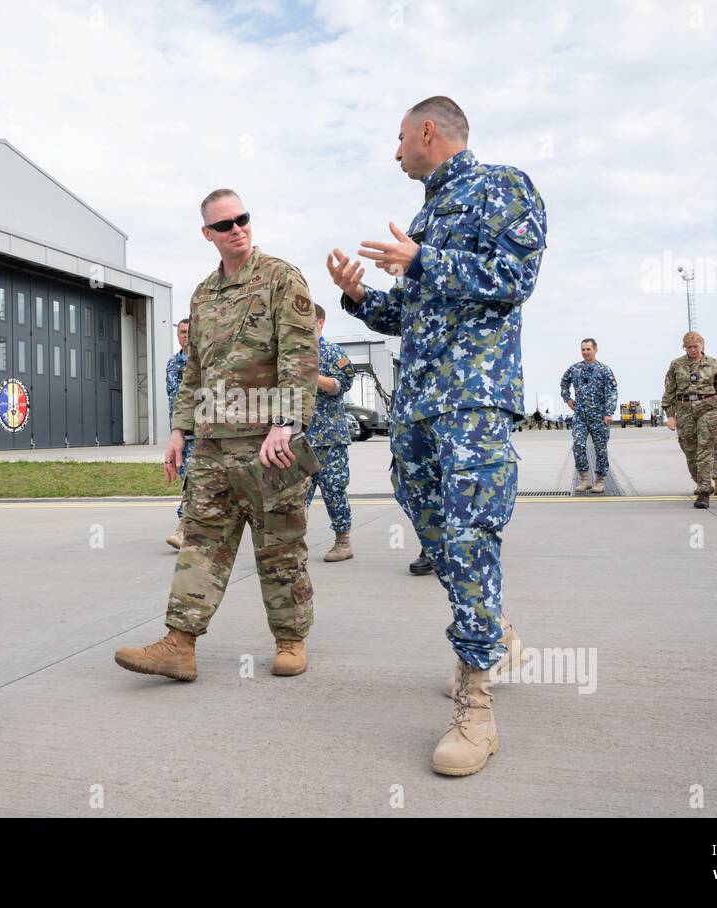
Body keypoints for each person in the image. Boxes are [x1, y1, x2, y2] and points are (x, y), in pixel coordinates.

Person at [328, 95, 546, 776]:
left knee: (470, 530)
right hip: (418, 407)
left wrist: (424, 260)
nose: (396, 153)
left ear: (429, 132)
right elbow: (414, 315)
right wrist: (363, 297)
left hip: (473, 398)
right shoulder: (425, 215)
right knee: (434, 530)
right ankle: (497, 632)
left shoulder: (502, 185)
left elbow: (515, 279)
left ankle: (476, 703)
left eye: (400, 139)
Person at [114, 189, 319, 680]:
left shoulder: (280, 278)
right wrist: (179, 430)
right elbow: (194, 370)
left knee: (280, 549)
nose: (238, 229)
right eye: (225, 225)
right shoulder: (203, 295)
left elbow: (300, 355)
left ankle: (290, 640)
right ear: (208, 234)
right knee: (200, 543)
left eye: (243, 219)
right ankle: (179, 645)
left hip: (269, 445)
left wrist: (286, 425)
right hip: (211, 446)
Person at [305, 304, 358, 561]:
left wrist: (311, 376)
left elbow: (341, 385)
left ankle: (342, 542)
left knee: (334, 490)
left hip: (329, 439)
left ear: (320, 323)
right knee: (295, 494)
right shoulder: (292, 353)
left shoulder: (332, 352)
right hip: (298, 440)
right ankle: (291, 544)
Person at [661, 331, 717, 508]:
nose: (693, 350)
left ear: (702, 345)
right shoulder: (676, 365)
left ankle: (704, 491)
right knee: (689, 449)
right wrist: (670, 415)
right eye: (689, 347)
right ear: (684, 348)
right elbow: (669, 391)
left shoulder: (715, 365)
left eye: (696, 346)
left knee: (706, 448)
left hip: (708, 408)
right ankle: (700, 481)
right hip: (685, 409)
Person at [560, 339, 618, 492]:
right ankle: (585, 479)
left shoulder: (604, 370)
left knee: (600, 449)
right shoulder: (575, 369)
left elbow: (612, 392)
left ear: (595, 350)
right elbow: (564, 382)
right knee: (578, 445)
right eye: (583, 349)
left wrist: (608, 413)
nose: (585, 352)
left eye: (588, 349)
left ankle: (599, 480)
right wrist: (567, 398)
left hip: (599, 417)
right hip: (580, 416)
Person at [165, 318, 195, 548]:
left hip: (203, 432)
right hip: (181, 434)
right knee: (188, 480)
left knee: (193, 481)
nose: (184, 335)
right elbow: (172, 401)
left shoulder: (203, 363)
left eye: (188, 331)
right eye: (181, 332)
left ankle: (184, 527)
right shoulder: (172, 364)